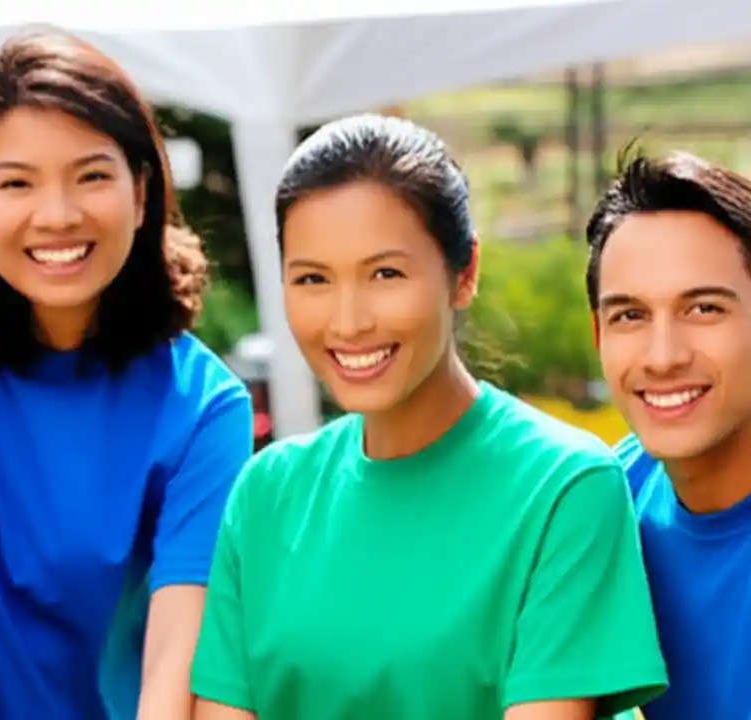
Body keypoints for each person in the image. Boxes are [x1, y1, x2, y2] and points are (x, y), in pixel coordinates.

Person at [189, 114, 668, 720]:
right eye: (312, 278)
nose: (348, 321)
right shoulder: (266, 493)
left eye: (385, 274)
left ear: (464, 273)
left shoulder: (564, 487)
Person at [0, 29, 254, 720]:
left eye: (92, 176)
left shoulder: (204, 407)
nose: (58, 216)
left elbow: (174, 658)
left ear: (141, 191)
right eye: (17, 183)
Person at [586, 151, 751, 720]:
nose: (663, 357)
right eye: (630, 316)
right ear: (598, 336)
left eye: (703, 308)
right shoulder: (604, 506)